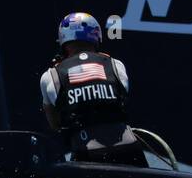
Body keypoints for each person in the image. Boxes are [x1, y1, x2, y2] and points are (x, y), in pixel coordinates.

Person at [39, 11, 145, 165]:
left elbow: (55, 125)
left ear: (63, 41)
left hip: (86, 156)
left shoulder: (50, 76)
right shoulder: (117, 65)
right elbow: (122, 100)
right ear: (96, 37)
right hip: (129, 149)